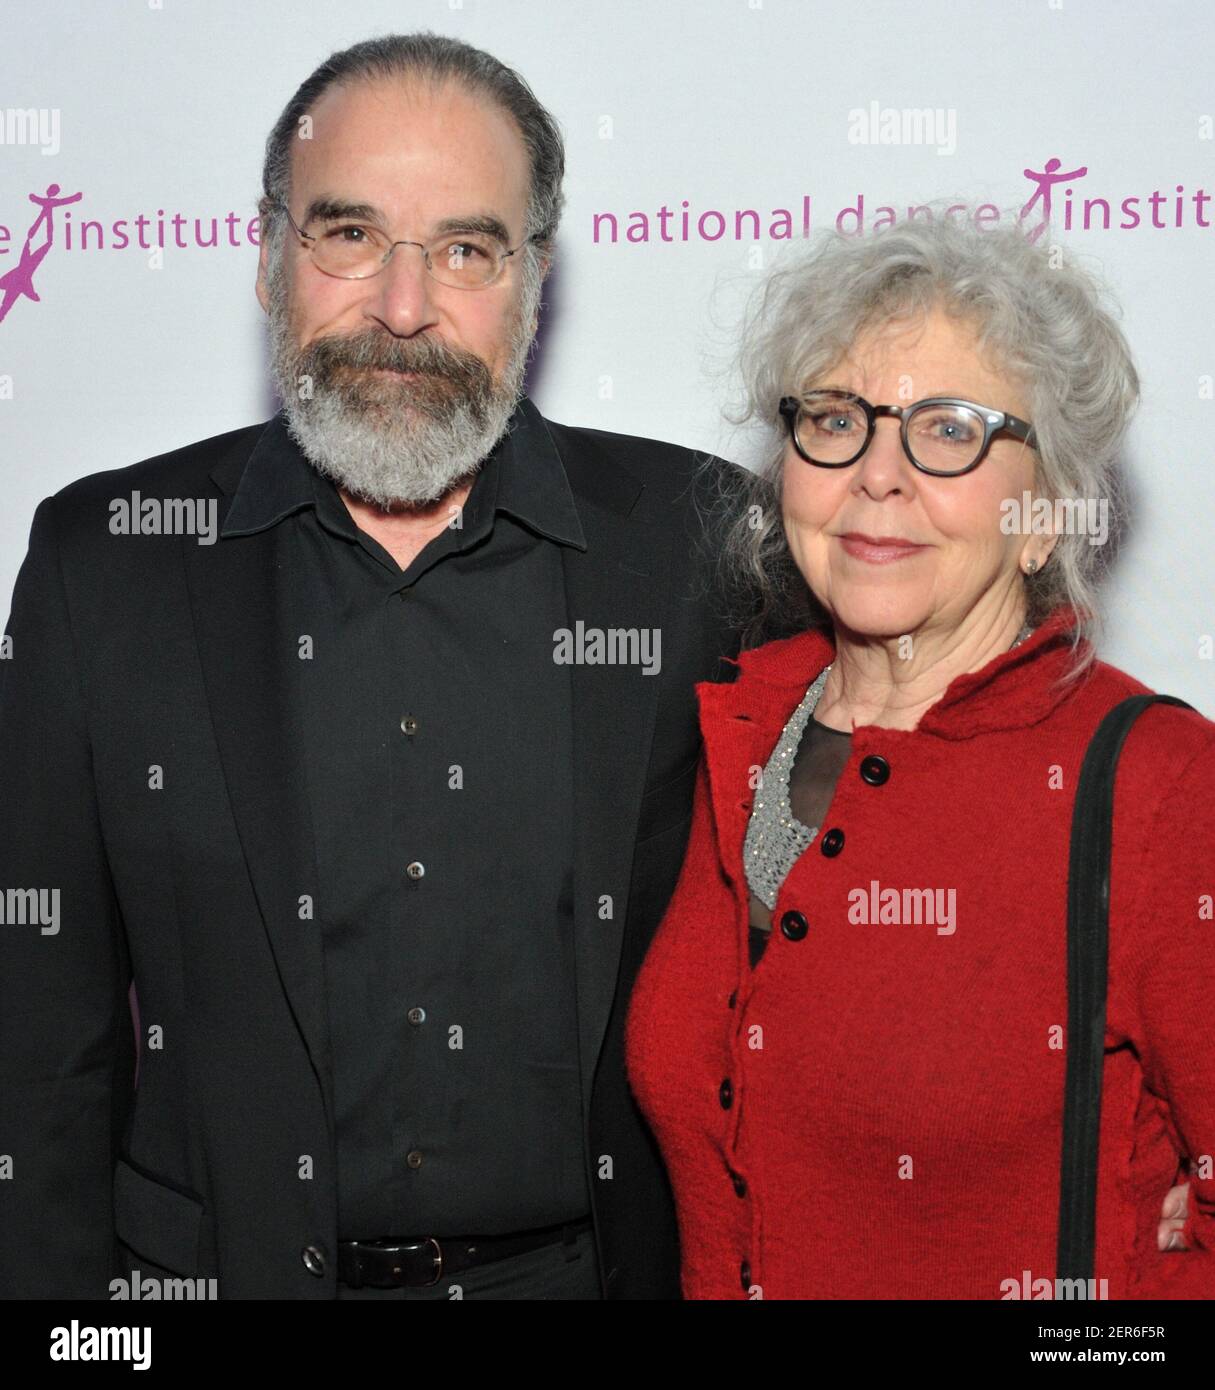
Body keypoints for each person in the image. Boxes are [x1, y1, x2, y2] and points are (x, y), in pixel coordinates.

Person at [0, 32, 747, 1300]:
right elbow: (35, 1044)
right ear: (268, 257)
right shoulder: (105, 561)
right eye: (349, 235)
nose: (405, 309)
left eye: (466, 249)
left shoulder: (698, 549)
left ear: (534, 281)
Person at [624, 211, 1215, 1299]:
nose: (878, 475)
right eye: (838, 419)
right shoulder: (738, 732)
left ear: (1043, 516)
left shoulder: (1158, 787)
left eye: (950, 431)